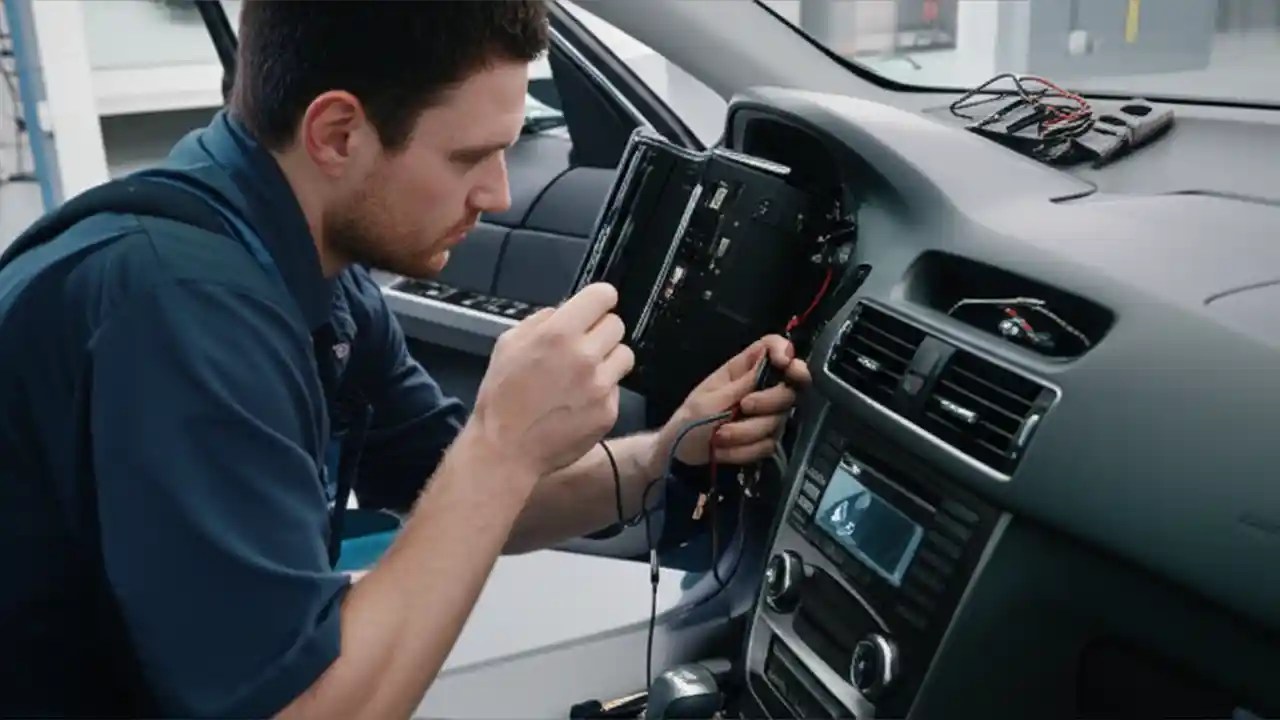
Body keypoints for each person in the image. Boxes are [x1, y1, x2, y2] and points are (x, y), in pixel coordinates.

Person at [0, 2, 809, 718]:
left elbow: (454, 491)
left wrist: (669, 449)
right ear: (337, 134)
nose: (495, 192)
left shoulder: (308, 268)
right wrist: (500, 440)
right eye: (468, 157)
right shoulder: (182, 308)